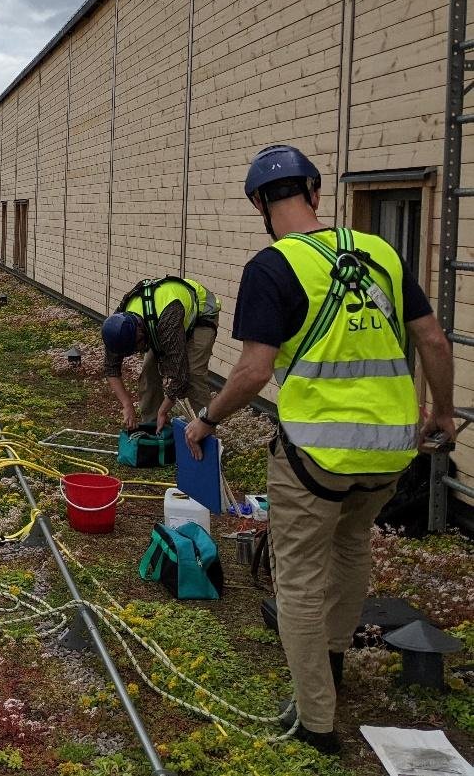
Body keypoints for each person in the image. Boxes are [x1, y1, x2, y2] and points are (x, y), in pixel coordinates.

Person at [186, 144, 456, 755]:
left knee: (302, 579)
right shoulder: (380, 250)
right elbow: (432, 340)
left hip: (315, 456)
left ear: (259, 203)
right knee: (351, 548)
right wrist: (442, 411)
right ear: (313, 191)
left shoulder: (271, 268)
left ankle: (315, 719)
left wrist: (205, 420)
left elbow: (254, 373)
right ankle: (331, 664)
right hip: (390, 451)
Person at [101, 276, 221, 432]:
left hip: (202, 313)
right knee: (148, 374)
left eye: (137, 347)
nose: (138, 351)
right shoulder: (118, 326)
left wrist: (163, 410)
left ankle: (207, 435)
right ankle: (153, 428)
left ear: (140, 332)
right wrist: (127, 404)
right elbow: (111, 368)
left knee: (193, 375)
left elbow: (180, 377)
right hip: (160, 320)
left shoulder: (166, 324)